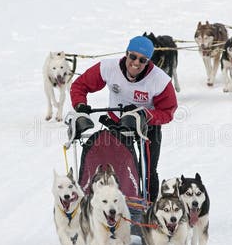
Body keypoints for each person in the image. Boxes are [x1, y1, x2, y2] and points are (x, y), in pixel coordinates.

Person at [70, 35, 177, 201]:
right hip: (116, 121)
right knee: (114, 166)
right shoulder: (108, 67)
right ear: (126, 53)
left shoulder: (160, 80)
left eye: (142, 60)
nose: (136, 63)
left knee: (148, 169)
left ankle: (147, 206)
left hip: (146, 125)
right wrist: (80, 106)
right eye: (133, 56)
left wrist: (145, 115)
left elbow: (168, 111)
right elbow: (79, 85)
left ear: (148, 61)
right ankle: (112, 201)